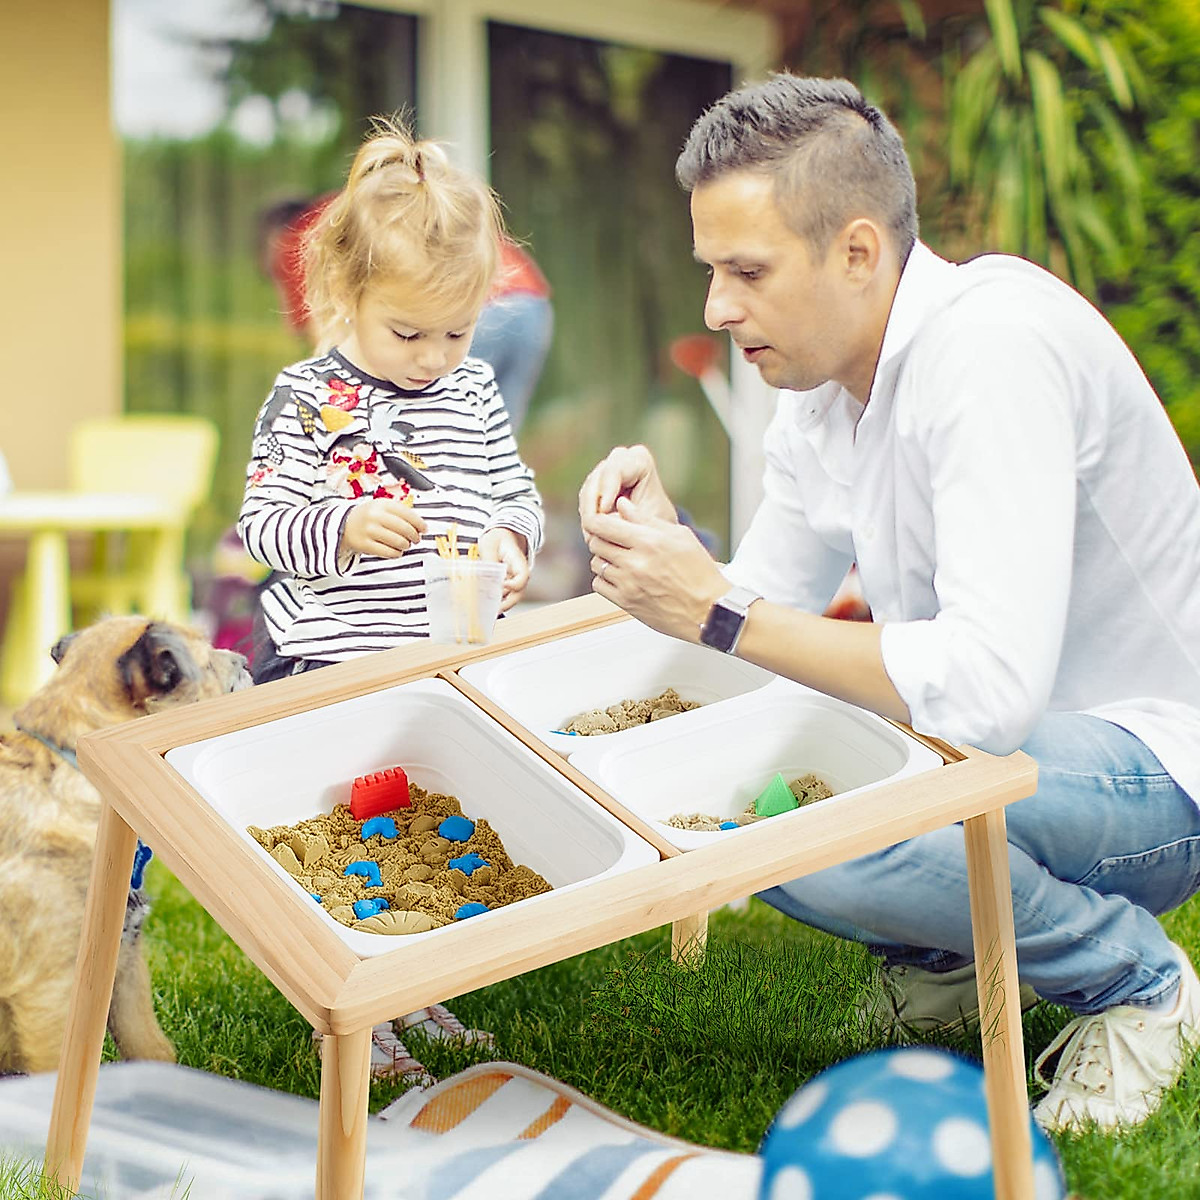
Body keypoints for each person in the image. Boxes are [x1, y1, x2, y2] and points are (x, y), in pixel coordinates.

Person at [578, 74, 1200, 1135]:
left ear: (858, 253)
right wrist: (676, 555)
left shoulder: (992, 351)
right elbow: (755, 617)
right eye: (711, 270)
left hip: (1155, 777)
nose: (717, 308)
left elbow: (989, 695)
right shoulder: (820, 390)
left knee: (824, 811)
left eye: (747, 271)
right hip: (1017, 759)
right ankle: (952, 953)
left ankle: (1137, 984)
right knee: (731, 793)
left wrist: (718, 610)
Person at [240, 115, 544, 1080]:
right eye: (407, 332)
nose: (431, 357)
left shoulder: (475, 393)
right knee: (343, 845)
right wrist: (339, 525)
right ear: (344, 294)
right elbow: (261, 526)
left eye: (457, 331)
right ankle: (353, 1016)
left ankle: (415, 985)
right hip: (333, 667)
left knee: (418, 837)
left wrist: (513, 540)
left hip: (439, 670)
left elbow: (515, 491)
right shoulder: (307, 399)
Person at [261, 196, 552, 433]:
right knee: (485, 443)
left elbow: (325, 340)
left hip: (481, 305)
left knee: (416, 435)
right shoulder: (375, 206)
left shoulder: (302, 237)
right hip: (531, 303)